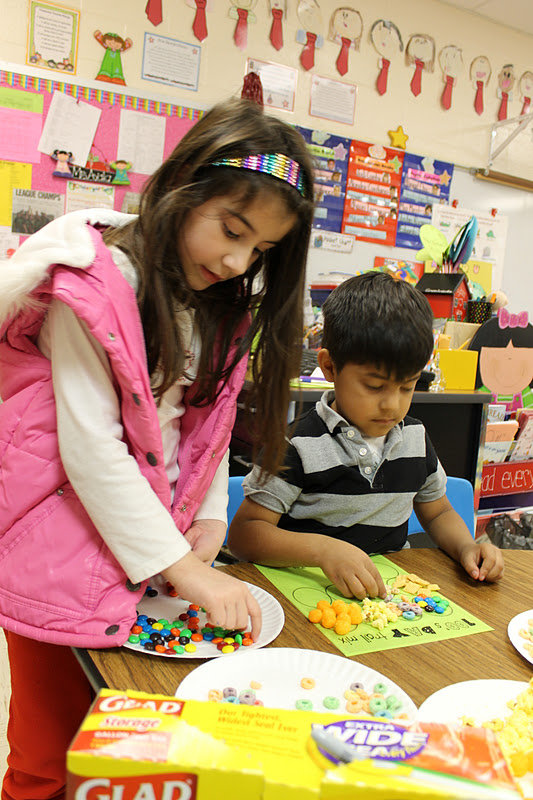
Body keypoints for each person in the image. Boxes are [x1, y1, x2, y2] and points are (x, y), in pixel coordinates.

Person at [0, 97, 314, 800]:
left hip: (140, 552)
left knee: (129, 747)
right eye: (231, 230)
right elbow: (92, 452)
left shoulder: (214, 302)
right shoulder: (93, 285)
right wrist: (187, 570)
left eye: (260, 250)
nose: (238, 261)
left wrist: (206, 515)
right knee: (48, 758)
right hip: (57, 551)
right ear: (181, 186)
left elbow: (204, 422)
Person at [228, 272, 505, 600]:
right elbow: (245, 536)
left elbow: (438, 511)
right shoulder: (297, 445)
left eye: (407, 386)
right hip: (307, 597)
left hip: (385, 602)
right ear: (330, 368)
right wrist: (324, 551)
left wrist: (467, 547)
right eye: (374, 386)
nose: (392, 404)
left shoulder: (414, 437)